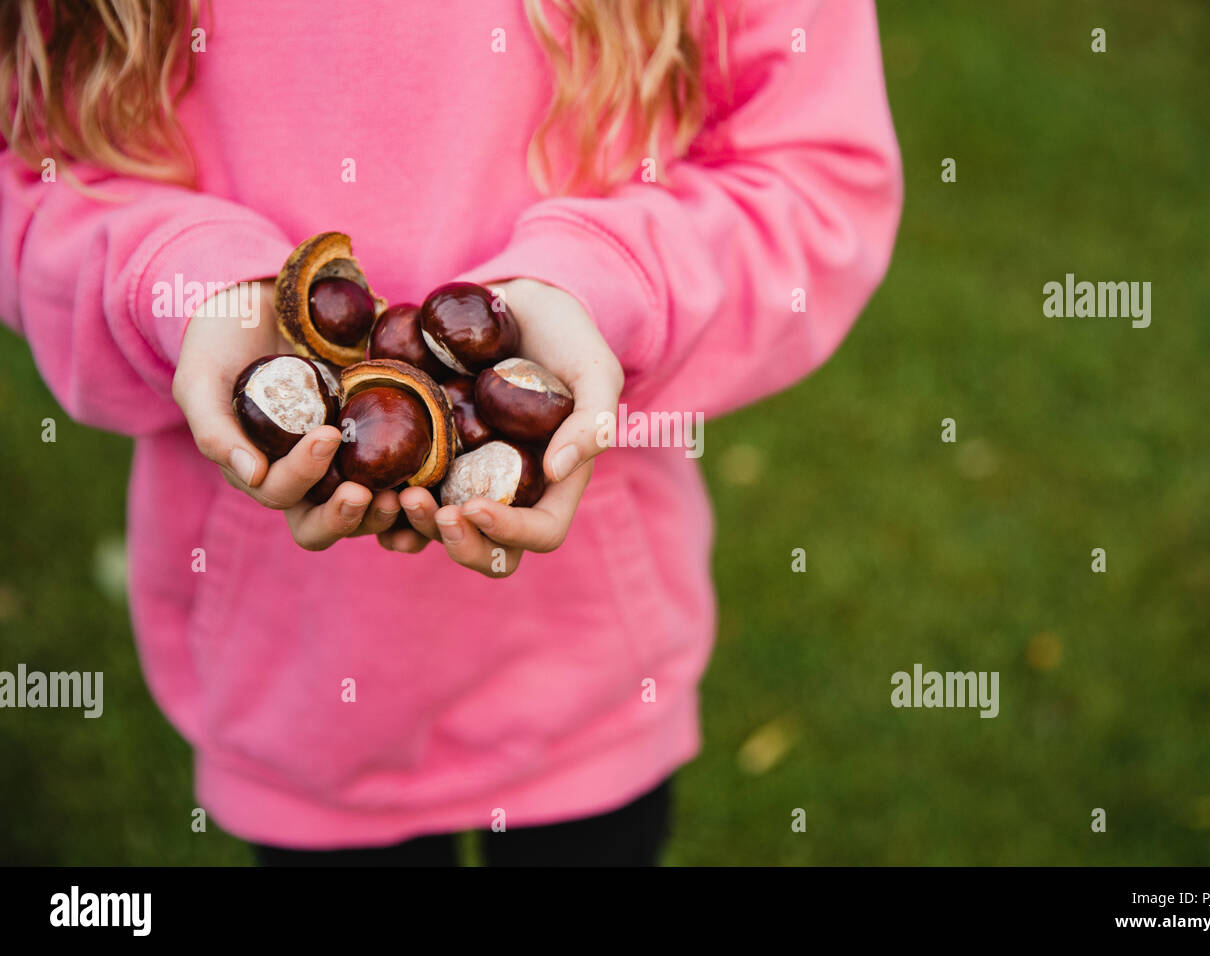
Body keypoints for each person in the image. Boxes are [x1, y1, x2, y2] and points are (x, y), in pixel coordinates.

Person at [0, 0, 902, 865]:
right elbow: (26, 182)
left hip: (587, 671)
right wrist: (177, 283)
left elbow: (817, 179)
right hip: (297, 683)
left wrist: (609, 287)